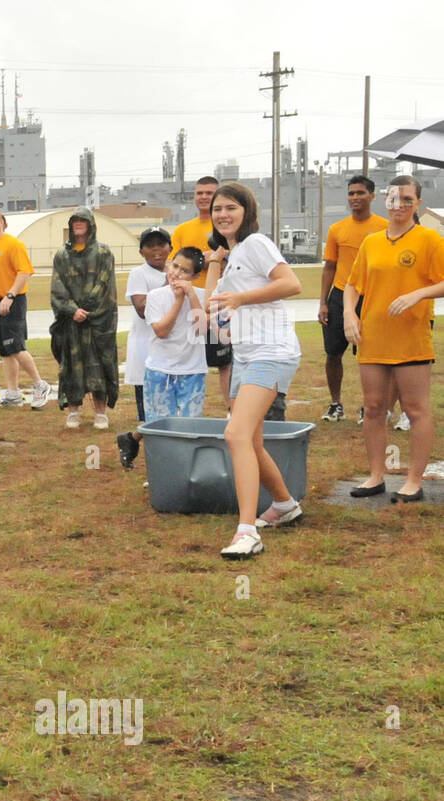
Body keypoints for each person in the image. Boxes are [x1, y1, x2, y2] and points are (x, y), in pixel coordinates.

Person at [203, 183, 304, 558]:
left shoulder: (257, 243)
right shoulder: (234, 254)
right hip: (245, 355)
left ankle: (247, 532)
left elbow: (291, 283)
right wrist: (216, 263)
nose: (223, 214)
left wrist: (242, 298)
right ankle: (284, 504)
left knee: (235, 434)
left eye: (231, 207)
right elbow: (216, 302)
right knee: (251, 440)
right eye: (217, 209)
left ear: (247, 211)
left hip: (271, 353)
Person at [343, 174, 444, 504]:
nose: (398, 205)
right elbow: (353, 284)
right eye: (393, 199)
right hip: (373, 337)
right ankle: (375, 475)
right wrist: (350, 314)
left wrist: (419, 294)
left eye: (406, 200)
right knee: (373, 408)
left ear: (417, 204)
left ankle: (414, 480)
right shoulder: (372, 241)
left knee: (416, 410)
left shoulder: (429, 239)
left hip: (411, 338)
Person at [317, 176, 386, 423]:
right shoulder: (337, 229)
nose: (355, 197)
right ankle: (336, 404)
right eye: (351, 193)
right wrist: (323, 302)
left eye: (360, 193)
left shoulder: (384, 227)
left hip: (372, 297)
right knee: (333, 353)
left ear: (372, 195)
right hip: (339, 295)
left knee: (370, 357)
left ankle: (370, 406)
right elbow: (329, 267)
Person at [49, 207, 118, 430]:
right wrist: (72, 310)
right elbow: (57, 288)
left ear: (90, 224)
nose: (78, 224)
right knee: (71, 366)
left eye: (82, 220)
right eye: (74, 221)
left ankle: (100, 413)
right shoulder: (62, 255)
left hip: (98, 321)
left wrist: (86, 310)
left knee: (99, 366)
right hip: (71, 322)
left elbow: (104, 284)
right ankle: (73, 411)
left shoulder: (103, 253)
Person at [0, 207, 50, 410]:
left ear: (3, 223)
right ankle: (12, 393)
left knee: (15, 346)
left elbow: (24, 272)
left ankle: (39, 384)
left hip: (11, 302)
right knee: (5, 351)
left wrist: (10, 296)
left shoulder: (13, 244)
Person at [116, 227, 172, 467]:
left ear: (171, 248)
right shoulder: (140, 274)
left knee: (170, 409)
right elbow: (142, 310)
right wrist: (169, 285)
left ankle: (131, 439)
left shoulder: (177, 271)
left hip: (172, 351)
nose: (157, 249)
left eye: (162, 244)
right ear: (141, 251)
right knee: (150, 413)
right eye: (150, 245)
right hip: (145, 352)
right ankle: (156, 464)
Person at [171, 176, 230, 404]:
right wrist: (204, 260)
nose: (204, 197)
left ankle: (230, 409)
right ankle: (186, 406)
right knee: (187, 357)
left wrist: (213, 260)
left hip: (219, 300)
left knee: (224, 361)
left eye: (209, 193)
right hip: (190, 299)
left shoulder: (225, 227)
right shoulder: (183, 230)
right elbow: (175, 264)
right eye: (200, 193)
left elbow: (231, 259)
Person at [139, 247, 209, 426]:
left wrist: (191, 295)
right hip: (159, 371)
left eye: (184, 271)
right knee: (159, 425)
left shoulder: (201, 296)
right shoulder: (155, 296)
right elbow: (161, 331)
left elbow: (202, 328)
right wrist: (178, 301)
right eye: (175, 266)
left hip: (193, 371)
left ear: (194, 276)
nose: (176, 273)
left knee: (191, 426)